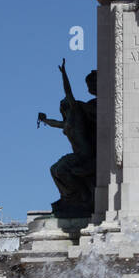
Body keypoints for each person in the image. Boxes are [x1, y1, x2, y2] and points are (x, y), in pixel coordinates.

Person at [38, 60, 97, 213]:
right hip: (78, 155)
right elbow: (54, 123)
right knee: (54, 169)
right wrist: (44, 120)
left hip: (85, 155)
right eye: (63, 106)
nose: (64, 107)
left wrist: (64, 74)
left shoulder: (77, 114)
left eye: (65, 105)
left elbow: (68, 92)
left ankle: (82, 195)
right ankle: (70, 196)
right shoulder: (67, 124)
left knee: (61, 169)